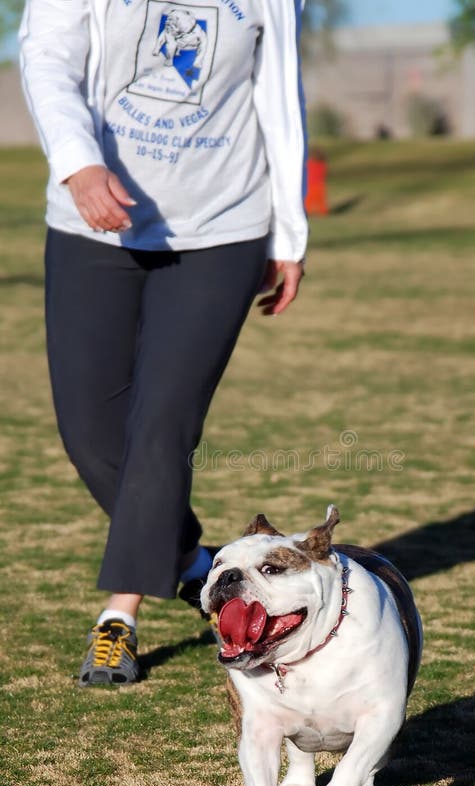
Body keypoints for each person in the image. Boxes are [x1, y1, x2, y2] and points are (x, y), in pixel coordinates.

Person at [19, 0, 308, 685]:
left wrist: (289, 231)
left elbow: (279, 92)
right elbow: (46, 58)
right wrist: (78, 164)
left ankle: (118, 618)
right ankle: (190, 561)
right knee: (91, 435)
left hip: (223, 228)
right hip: (93, 221)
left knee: (161, 426)